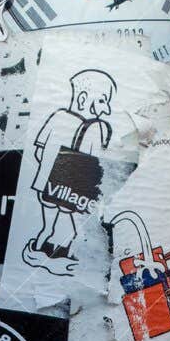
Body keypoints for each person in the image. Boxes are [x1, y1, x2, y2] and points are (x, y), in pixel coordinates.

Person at [23, 69, 116, 275]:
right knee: (58, 227)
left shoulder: (91, 127)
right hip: (61, 188)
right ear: (83, 99)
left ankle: (53, 252)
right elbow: (95, 167)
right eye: (102, 101)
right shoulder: (69, 121)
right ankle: (45, 251)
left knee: (67, 228)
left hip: (63, 188)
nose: (106, 109)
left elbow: (39, 151)